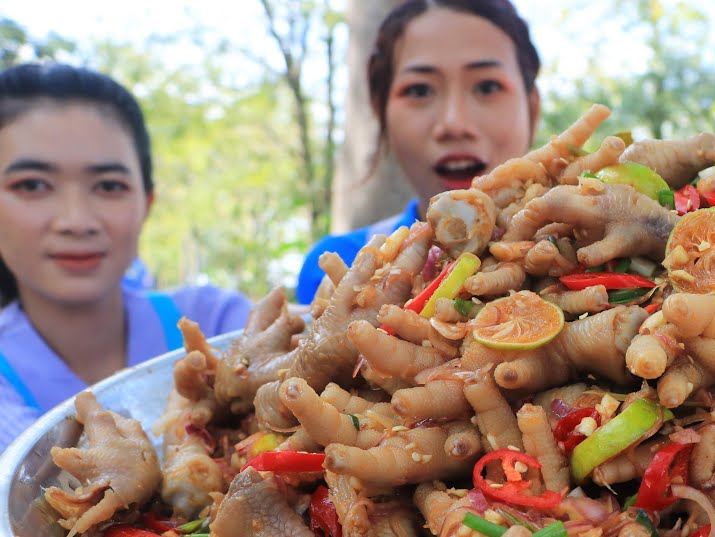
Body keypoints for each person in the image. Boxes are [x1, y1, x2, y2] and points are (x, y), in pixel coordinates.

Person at [0, 63, 252, 448]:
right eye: (32, 185)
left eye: (108, 185)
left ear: (146, 203)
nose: (76, 220)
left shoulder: (216, 320)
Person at [295, 0, 542, 304]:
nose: (454, 123)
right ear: (380, 111)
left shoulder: (587, 245)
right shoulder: (338, 269)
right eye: (420, 90)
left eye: (488, 86)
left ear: (532, 107)